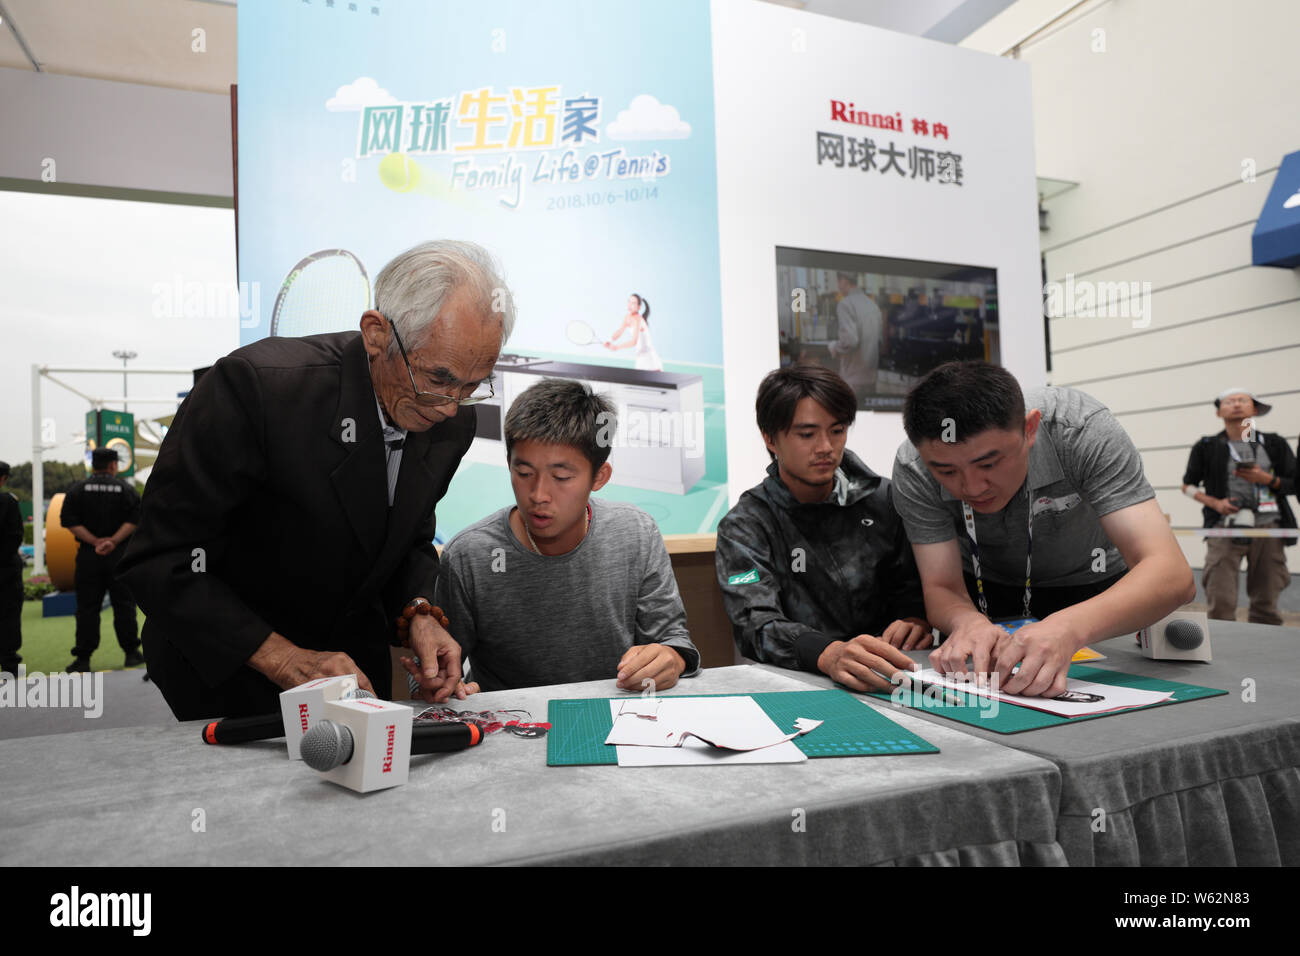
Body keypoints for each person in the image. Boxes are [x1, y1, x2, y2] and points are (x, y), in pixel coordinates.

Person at [118, 240, 514, 720]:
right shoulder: (256, 389)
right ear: (376, 334)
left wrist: (419, 613)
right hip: (229, 669)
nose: (450, 406)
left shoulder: (453, 424)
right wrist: (284, 659)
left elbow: (405, 538)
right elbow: (161, 561)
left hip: (352, 672)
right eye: (438, 378)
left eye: (473, 385)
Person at [892, 361, 1195, 698]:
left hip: (1097, 587)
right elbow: (942, 586)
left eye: (989, 464)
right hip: (989, 592)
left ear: (1029, 428)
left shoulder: (1080, 431)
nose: (973, 487)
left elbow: (1172, 575)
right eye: (946, 471)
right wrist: (968, 622)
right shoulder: (914, 467)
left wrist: (1067, 627)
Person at [404, 378, 699, 699]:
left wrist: (673, 657)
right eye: (524, 472)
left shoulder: (635, 534)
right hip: (512, 730)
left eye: (561, 477)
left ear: (599, 476)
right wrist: (436, 685)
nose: (539, 494)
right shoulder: (470, 555)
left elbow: (672, 637)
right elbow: (436, 666)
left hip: (616, 719)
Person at [714, 365, 928, 693]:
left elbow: (915, 592)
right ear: (770, 438)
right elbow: (756, 625)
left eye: (837, 430)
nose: (826, 447)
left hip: (896, 676)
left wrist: (915, 622)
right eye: (807, 434)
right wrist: (828, 653)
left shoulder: (885, 500)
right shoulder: (746, 526)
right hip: (797, 686)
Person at [1182, 387, 1295, 625]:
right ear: (1218, 412)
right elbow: (1187, 486)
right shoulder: (1207, 446)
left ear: (1254, 409)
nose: (1235, 404)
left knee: (1266, 599)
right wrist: (1215, 503)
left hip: (1269, 526)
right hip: (1224, 527)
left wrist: (1267, 480)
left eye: (1242, 400)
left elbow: (1295, 483)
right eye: (1229, 401)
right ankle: (1222, 649)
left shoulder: (1273, 443)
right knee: (1220, 599)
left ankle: (1266, 651)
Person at [59, 447, 143, 673]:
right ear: (113, 465)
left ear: (92, 465)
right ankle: (132, 654)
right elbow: (136, 519)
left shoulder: (77, 490)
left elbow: (68, 520)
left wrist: (95, 542)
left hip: (89, 556)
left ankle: (83, 659)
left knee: (87, 608)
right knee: (124, 606)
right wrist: (113, 541)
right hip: (118, 557)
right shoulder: (126, 489)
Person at [827, 273, 882, 405]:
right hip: (871, 379)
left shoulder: (845, 304)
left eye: (839, 282)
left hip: (853, 381)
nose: (839, 287)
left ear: (844, 281)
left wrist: (833, 346)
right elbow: (880, 341)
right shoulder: (873, 305)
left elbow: (850, 341)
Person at [0, 461, 23, 677]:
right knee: (9, 614)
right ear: (4, 478)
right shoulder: (8, 501)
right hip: (6, 569)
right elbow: (16, 535)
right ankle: (9, 662)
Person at [604, 292, 662, 371]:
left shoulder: (638, 320)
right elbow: (620, 332)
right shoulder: (627, 317)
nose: (630, 305)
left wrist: (617, 347)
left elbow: (634, 342)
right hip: (640, 358)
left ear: (638, 307)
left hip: (650, 359)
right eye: (629, 302)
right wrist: (609, 340)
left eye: (633, 303)